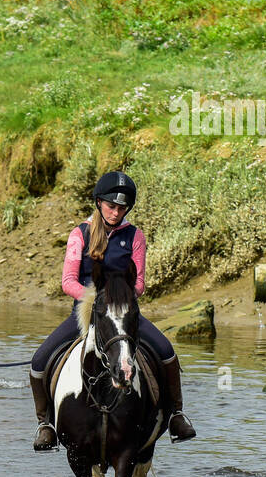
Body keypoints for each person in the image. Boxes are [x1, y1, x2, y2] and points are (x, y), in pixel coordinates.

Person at [29, 171, 196, 450]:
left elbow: (139, 282)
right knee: (38, 362)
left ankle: (177, 414)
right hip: (85, 314)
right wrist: (94, 299)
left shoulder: (135, 236)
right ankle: (45, 423)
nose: (116, 212)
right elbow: (68, 280)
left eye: (122, 208)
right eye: (111, 206)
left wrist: (121, 299)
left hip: (125, 315)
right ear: (98, 202)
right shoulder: (79, 233)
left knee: (167, 354)